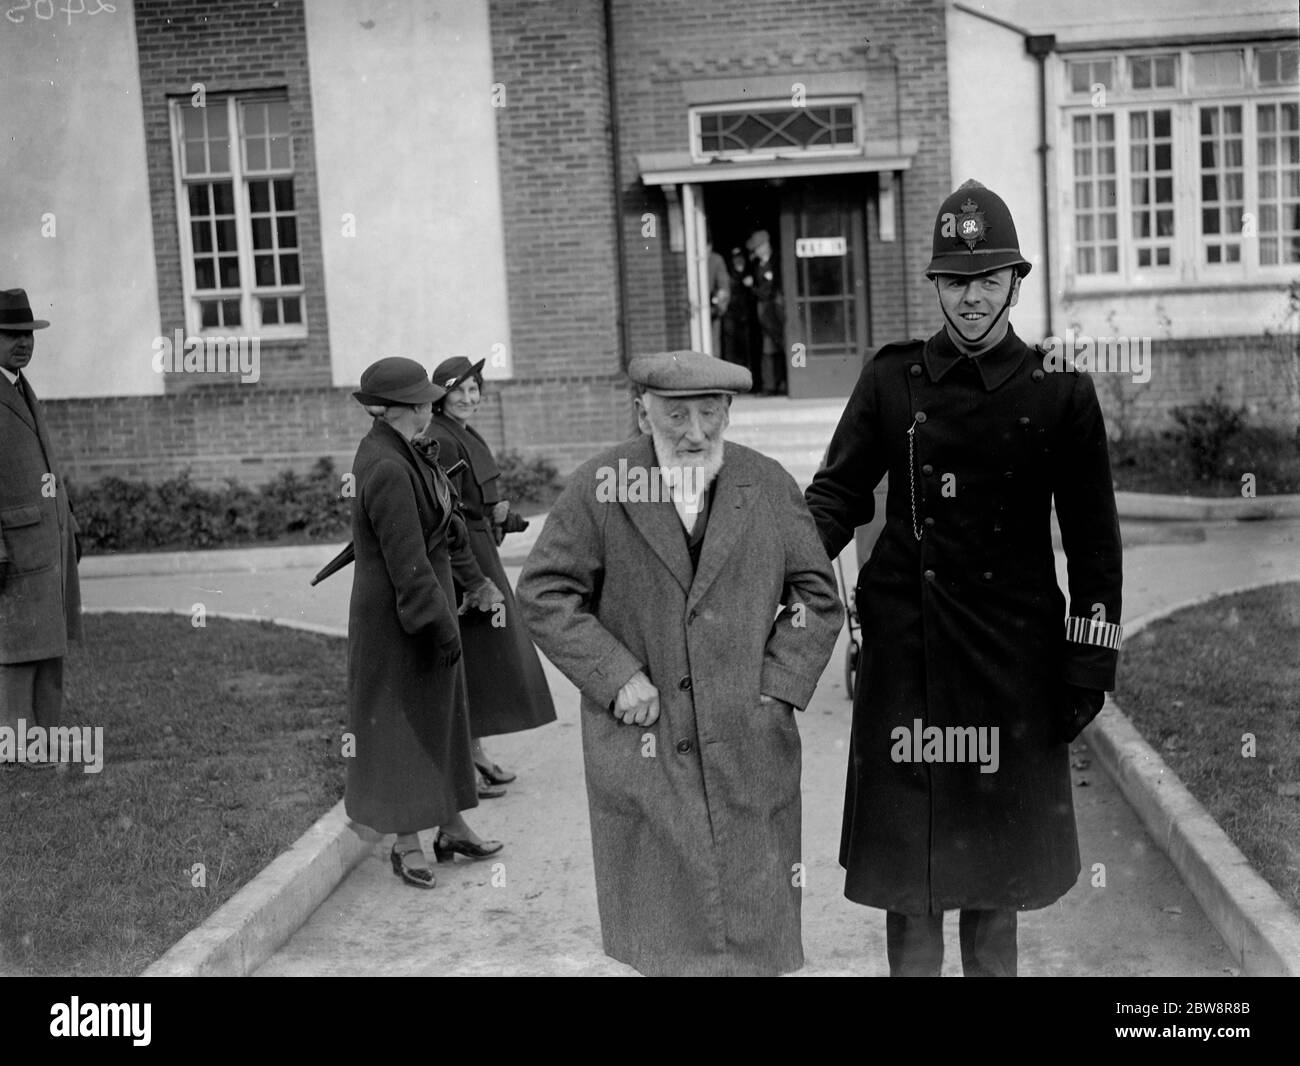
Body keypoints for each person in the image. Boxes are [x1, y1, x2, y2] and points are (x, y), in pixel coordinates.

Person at [804, 180, 1124, 976]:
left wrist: (1088, 665)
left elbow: (1095, 549)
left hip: (1011, 670)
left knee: (995, 886)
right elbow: (837, 496)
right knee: (910, 889)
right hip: (907, 666)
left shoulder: (1061, 392)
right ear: (936, 287)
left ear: (1015, 282)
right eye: (956, 280)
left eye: (988, 279)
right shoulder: (890, 381)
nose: (972, 298)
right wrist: (779, 564)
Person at [516, 350, 842, 976]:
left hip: (747, 741)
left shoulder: (766, 483)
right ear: (642, 411)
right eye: (675, 415)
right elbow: (544, 592)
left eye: (710, 413)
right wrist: (615, 677)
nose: (695, 433)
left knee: (753, 924)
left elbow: (818, 598)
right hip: (647, 743)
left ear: (728, 412)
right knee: (663, 930)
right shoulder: (601, 485)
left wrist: (777, 684)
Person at [345, 356, 505, 888]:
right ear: (384, 411)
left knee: (441, 720)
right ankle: (407, 844)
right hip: (401, 622)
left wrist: (470, 569)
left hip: (421, 609)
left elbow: (438, 527)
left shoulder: (406, 451)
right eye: (417, 403)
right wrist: (438, 626)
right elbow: (408, 567)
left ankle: (451, 827)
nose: (428, 408)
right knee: (404, 730)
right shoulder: (387, 467)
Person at [419, 356, 556, 798]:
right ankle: (465, 762)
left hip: (479, 549)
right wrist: (473, 578)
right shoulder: (440, 438)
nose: (467, 397)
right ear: (440, 396)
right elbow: (448, 513)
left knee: (481, 661)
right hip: (465, 562)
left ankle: (473, 754)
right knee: (474, 661)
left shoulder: (460, 432)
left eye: (473, 389)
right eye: (457, 390)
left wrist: (500, 516)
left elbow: (473, 498)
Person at [0, 289, 81, 767]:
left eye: (28, 334)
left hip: (46, 543)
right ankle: (15, 747)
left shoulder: (20, 387)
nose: (23, 343)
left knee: (49, 645)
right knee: (16, 650)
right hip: (13, 549)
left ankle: (46, 739)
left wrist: (67, 522)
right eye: (12, 334)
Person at [745, 229, 786, 394]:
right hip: (765, 315)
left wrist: (752, 287)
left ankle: (784, 383)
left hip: (778, 313)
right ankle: (770, 385)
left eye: (757, 248)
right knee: (768, 350)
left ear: (765, 246)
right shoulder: (758, 266)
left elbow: (767, 291)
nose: (755, 252)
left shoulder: (777, 261)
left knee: (784, 348)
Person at [706, 239, 730, 357]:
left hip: (712, 310)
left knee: (713, 346)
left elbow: (723, 287)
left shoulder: (716, 260)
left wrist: (718, 308)